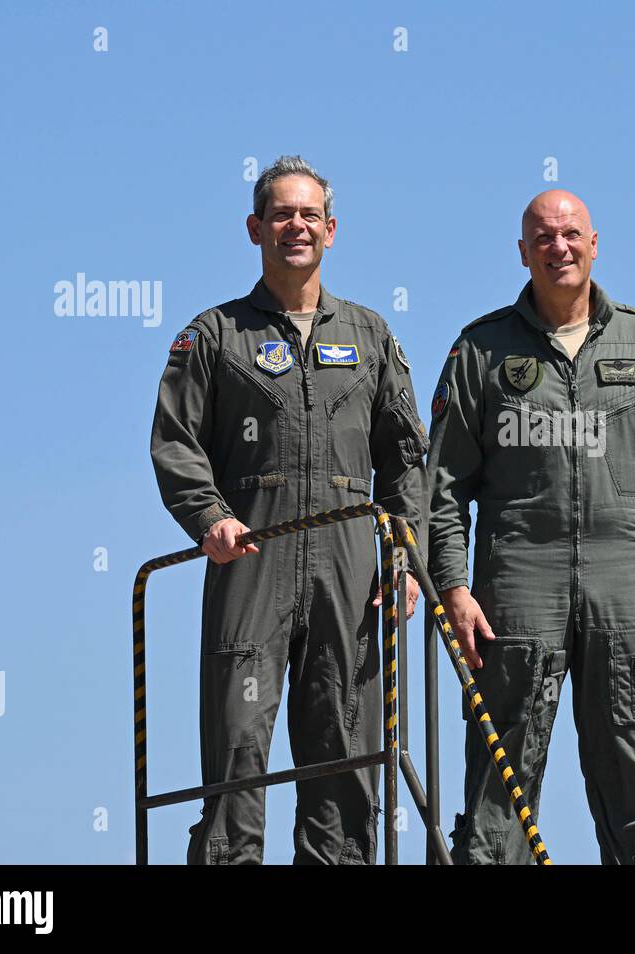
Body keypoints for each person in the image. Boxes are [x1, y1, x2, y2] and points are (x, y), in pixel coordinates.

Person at [150, 155, 427, 864]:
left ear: (331, 230)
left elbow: (406, 459)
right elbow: (175, 441)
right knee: (239, 744)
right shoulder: (214, 335)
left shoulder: (370, 336)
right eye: (281, 214)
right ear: (255, 228)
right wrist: (209, 515)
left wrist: (403, 559)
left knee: (345, 742)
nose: (295, 226)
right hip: (250, 556)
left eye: (309, 215)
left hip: (352, 569)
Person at [426, 190, 635, 864]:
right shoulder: (481, 348)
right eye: (544, 237)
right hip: (517, 585)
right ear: (523, 252)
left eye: (571, 235)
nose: (559, 248)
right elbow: (440, 485)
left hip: (627, 587)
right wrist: (452, 586)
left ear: (594, 243)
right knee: (503, 787)